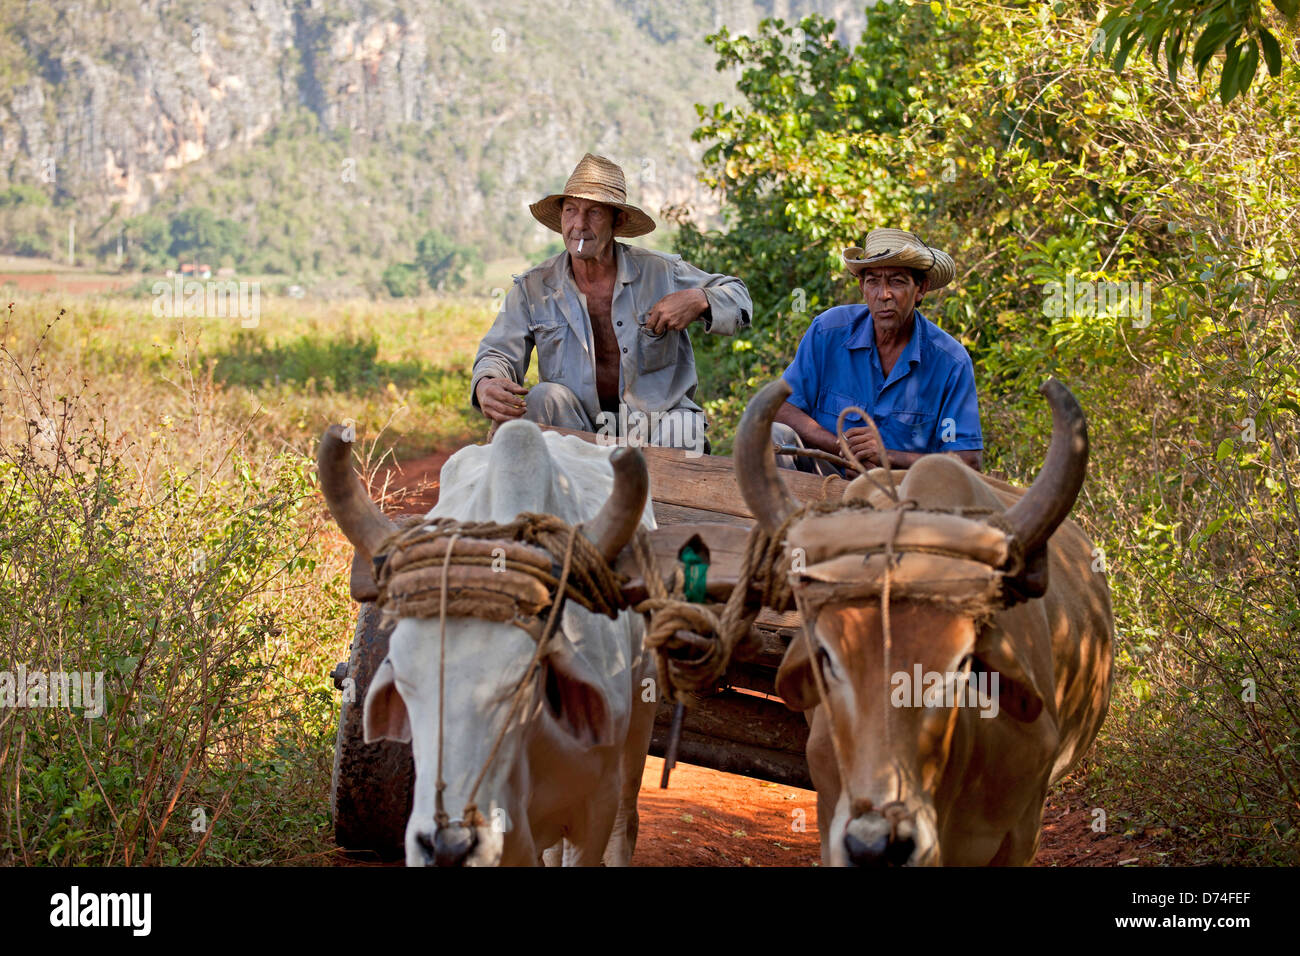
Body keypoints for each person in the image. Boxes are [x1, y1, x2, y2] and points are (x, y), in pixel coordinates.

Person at [471, 153, 752, 453]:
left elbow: (739, 296)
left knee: (683, 426)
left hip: (655, 425)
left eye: (594, 213)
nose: (579, 224)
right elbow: (498, 352)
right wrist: (487, 383)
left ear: (617, 221)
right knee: (543, 397)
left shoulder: (660, 272)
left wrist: (699, 298)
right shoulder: (534, 288)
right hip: (576, 427)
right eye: (571, 211)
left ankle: (661, 497)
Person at [773, 228, 983, 475]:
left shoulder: (950, 362)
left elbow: (966, 461)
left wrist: (887, 457)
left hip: (905, 492)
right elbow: (781, 407)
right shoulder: (828, 332)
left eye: (897, 281)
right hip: (827, 475)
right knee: (774, 435)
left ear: (921, 289)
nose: (884, 294)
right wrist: (844, 448)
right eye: (873, 281)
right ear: (862, 286)